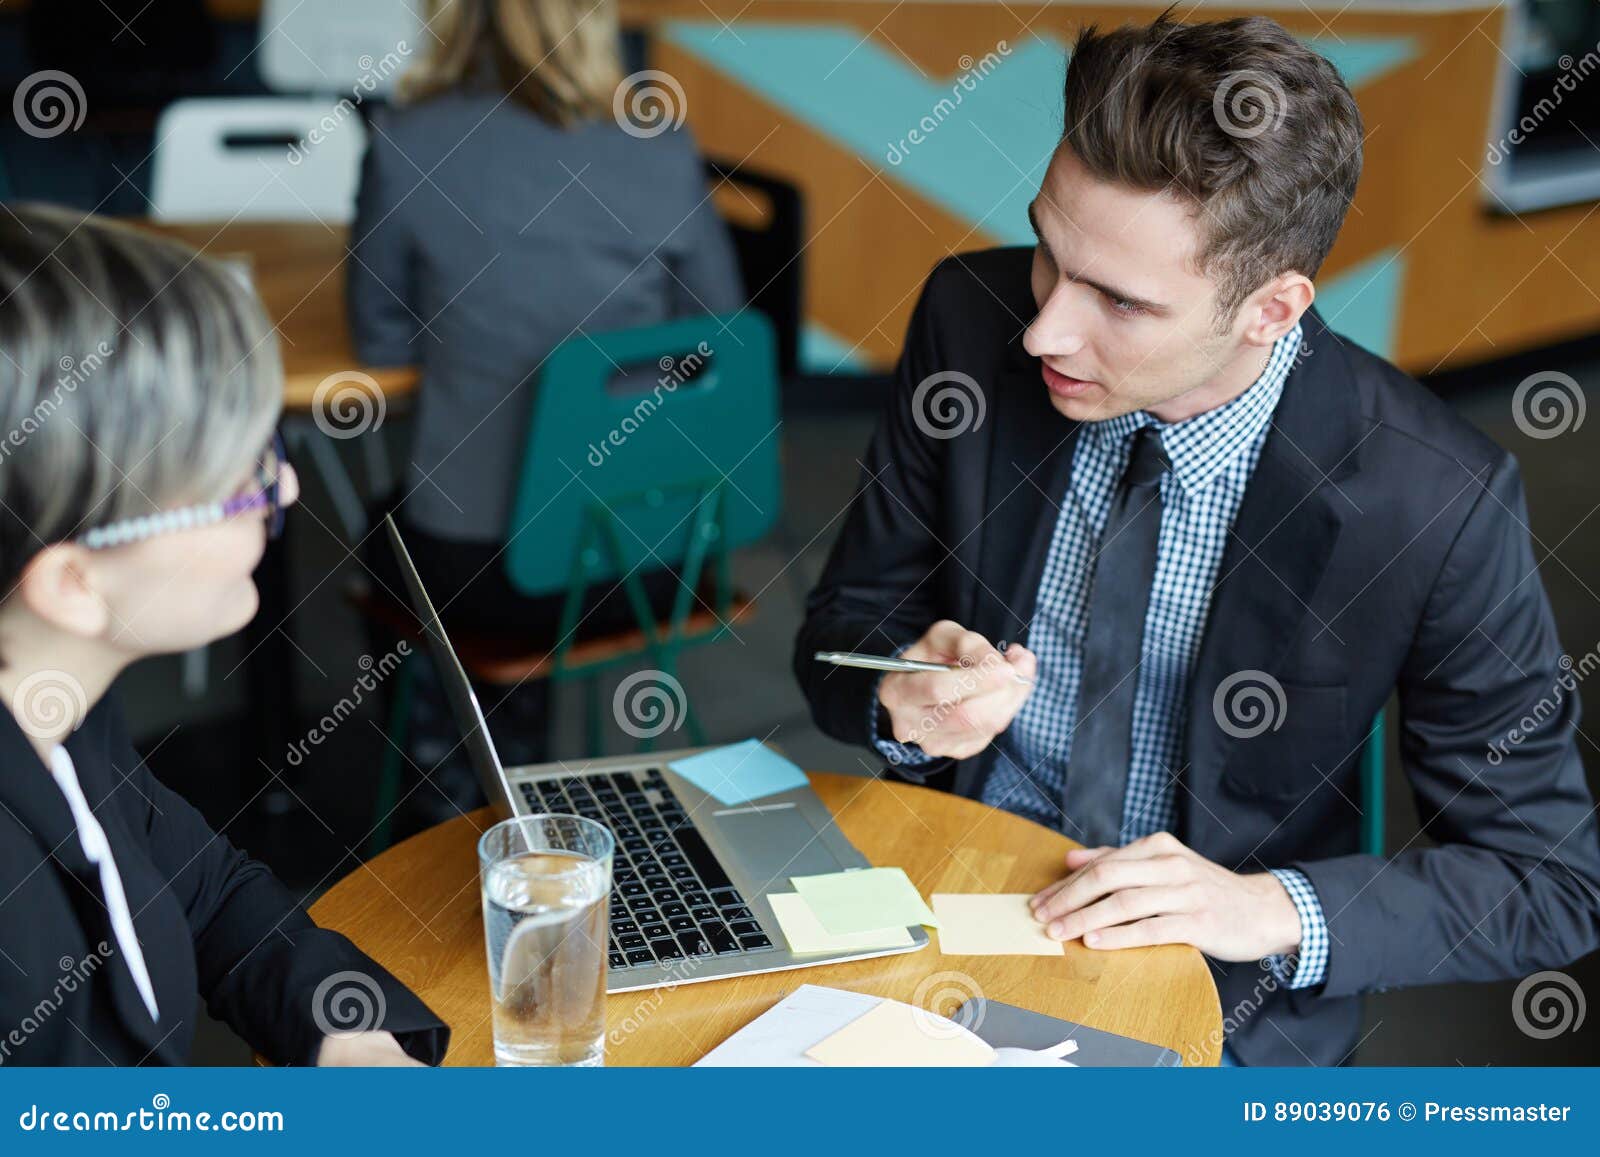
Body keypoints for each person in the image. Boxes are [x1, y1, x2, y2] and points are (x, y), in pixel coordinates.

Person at [793, 12, 1600, 1066]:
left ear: (1271, 309)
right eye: (1048, 253)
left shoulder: (1435, 498)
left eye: (1120, 301)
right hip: (946, 891)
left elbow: (1548, 879)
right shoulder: (966, 317)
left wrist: (1260, 906)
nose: (1043, 330)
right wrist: (900, 689)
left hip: (1218, 989)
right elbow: (840, 630)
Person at [0, 207, 449, 1066]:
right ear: (74, 583)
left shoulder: (55, 699)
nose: (285, 490)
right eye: (238, 480)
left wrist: (344, 1030)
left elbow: (199, 885)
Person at [349, 0, 744, 807]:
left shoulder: (404, 140)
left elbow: (381, 341)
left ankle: (456, 776)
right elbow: (719, 334)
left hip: (478, 574)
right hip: (650, 558)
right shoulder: (661, 145)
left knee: (379, 528)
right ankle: (518, 754)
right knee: (545, 528)